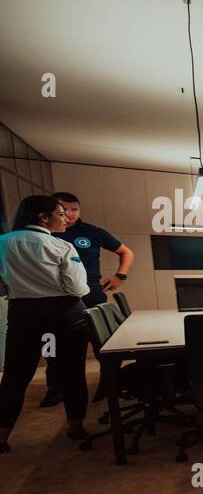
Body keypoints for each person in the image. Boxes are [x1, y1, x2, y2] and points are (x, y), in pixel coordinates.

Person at [0, 196, 92, 454]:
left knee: (15, 377)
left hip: (23, 313)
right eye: (61, 214)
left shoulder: (2, 244)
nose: (66, 218)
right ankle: (75, 428)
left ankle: (2, 436)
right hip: (64, 313)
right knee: (72, 373)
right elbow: (77, 287)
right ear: (42, 216)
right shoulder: (60, 246)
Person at [37, 193, 133, 408]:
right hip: (51, 298)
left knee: (102, 343)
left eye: (74, 210)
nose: (69, 215)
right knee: (51, 344)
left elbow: (126, 252)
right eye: (64, 210)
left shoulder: (92, 232)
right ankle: (55, 387)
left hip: (90, 294)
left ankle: (108, 382)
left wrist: (120, 276)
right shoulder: (43, 235)